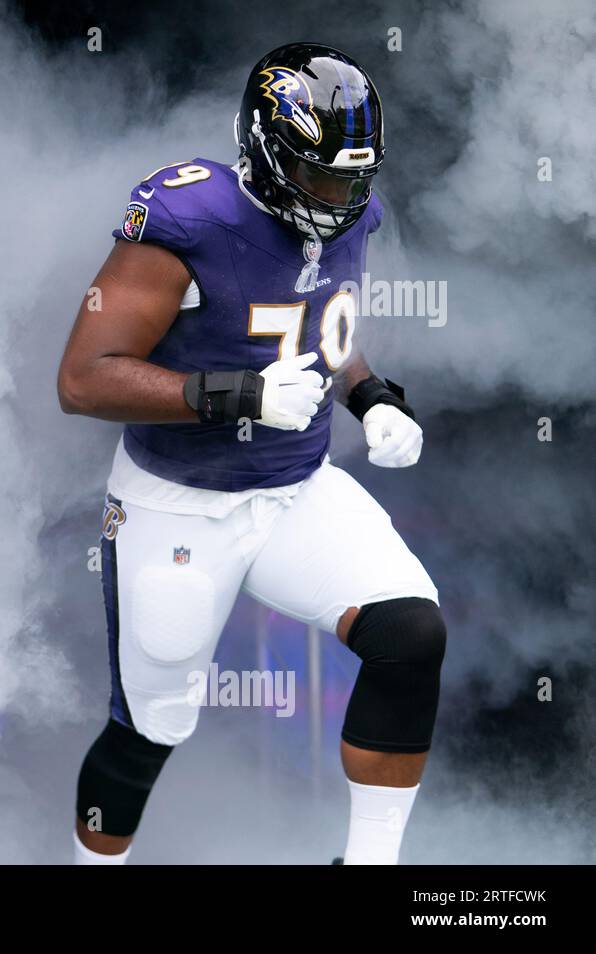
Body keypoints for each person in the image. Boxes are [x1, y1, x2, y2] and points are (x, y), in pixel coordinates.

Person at [57, 42, 445, 865]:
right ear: (267, 154)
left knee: (411, 634)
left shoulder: (352, 212)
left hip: (296, 487)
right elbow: (84, 381)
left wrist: (373, 399)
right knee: (149, 731)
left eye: (352, 180)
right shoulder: (188, 220)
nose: (339, 201)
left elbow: (325, 338)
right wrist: (238, 396)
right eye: (321, 179)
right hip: (178, 502)